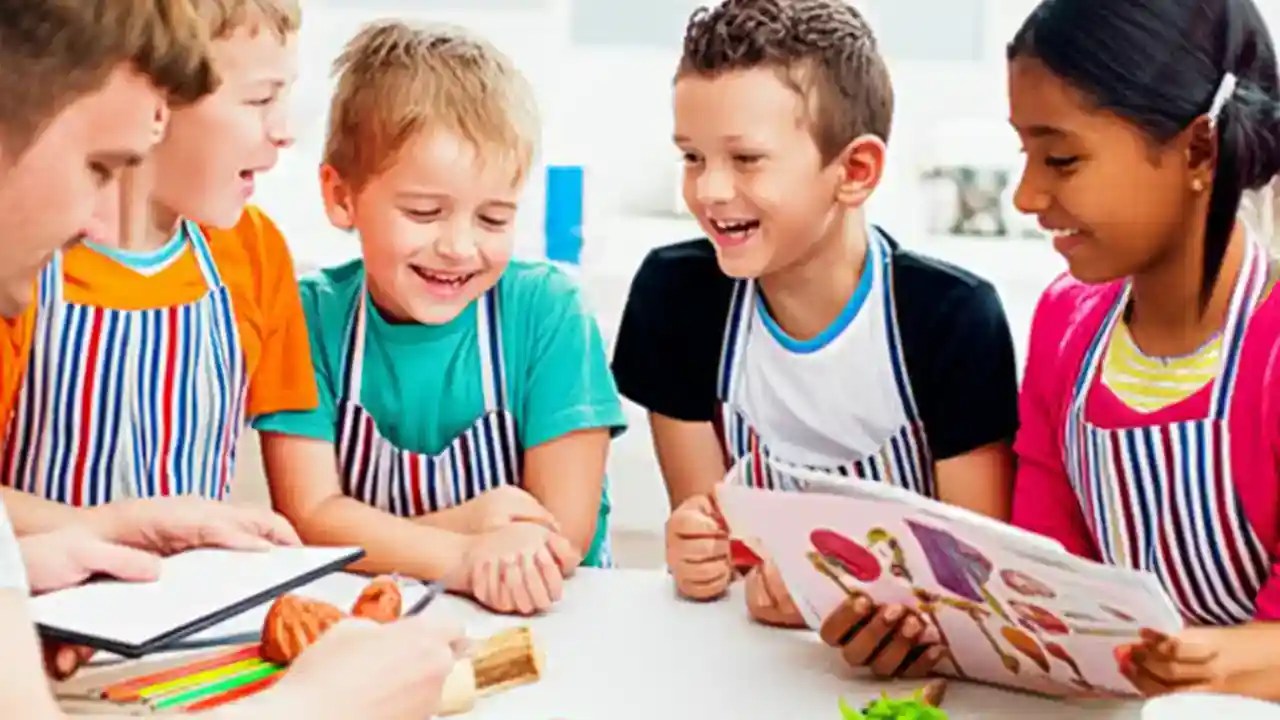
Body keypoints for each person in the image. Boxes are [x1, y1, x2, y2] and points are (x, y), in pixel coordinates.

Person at [0, 2, 460, 718]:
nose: (94, 220)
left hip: (185, 650)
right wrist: (319, 706)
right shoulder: (27, 280)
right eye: (100, 166)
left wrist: (93, 532)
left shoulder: (251, 257)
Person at [610, 0, 1019, 641]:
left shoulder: (950, 319)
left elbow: (974, 579)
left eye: (745, 159)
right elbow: (718, 533)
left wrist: (831, 594)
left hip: (921, 663)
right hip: (747, 649)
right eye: (692, 157)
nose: (709, 191)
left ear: (854, 172)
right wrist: (699, 554)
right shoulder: (677, 298)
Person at [255, 20, 627, 616]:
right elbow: (309, 517)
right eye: (426, 211)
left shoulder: (547, 312)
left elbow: (560, 532)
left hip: (554, 621)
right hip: (380, 622)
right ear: (340, 195)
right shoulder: (309, 319)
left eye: (493, 219)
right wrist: (467, 533)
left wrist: (394, 541)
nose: (459, 246)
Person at [1004, 0, 1280, 700]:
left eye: (1061, 158)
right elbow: (1042, 577)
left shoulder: (1270, 354)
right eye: (1025, 153)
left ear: (1199, 151)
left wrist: (1217, 666)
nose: (1026, 195)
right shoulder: (1065, 328)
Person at [0, 0, 317, 534]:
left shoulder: (255, 253)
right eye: (260, 99)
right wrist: (112, 528)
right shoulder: (26, 265)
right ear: (158, 104)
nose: (284, 131)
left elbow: (309, 501)